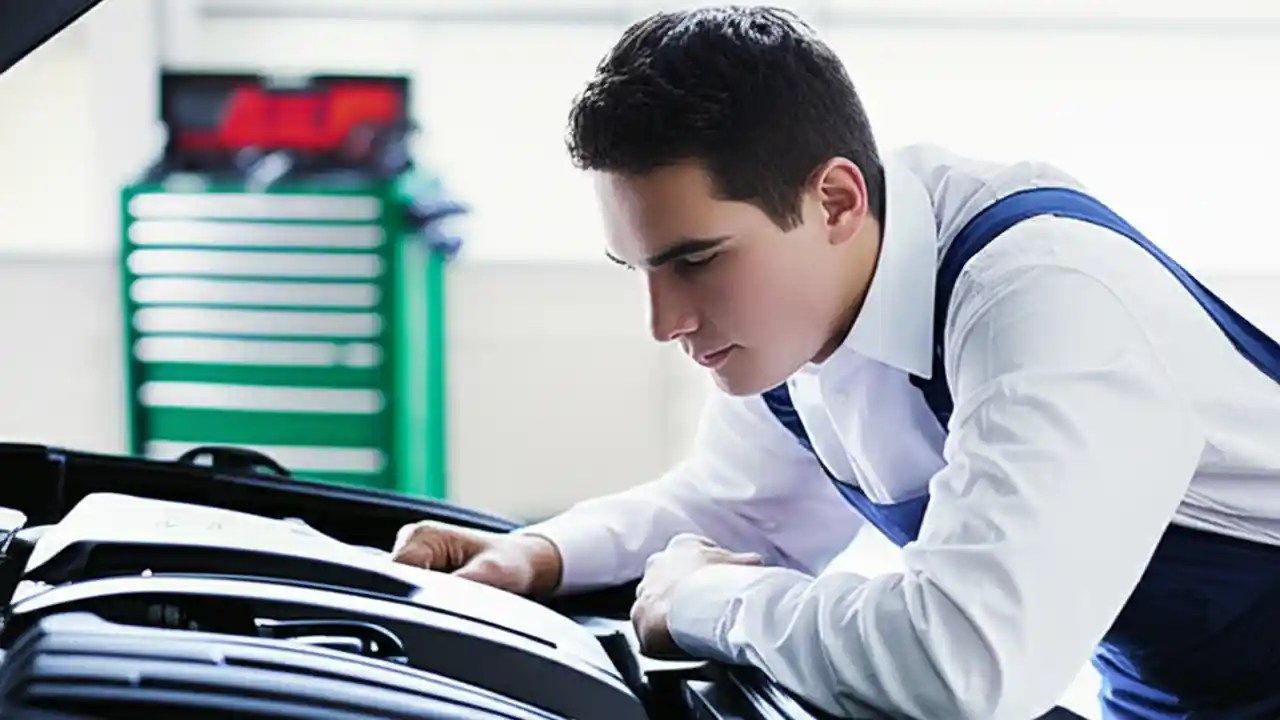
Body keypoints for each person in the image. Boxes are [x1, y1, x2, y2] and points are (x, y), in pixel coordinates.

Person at [391, 6, 1280, 719]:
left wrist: (710, 605)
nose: (665, 322)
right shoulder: (807, 317)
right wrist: (540, 557)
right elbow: (737, 510)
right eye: (643, 270)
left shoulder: (1042, 298)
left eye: (696, 260)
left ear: (836, 199)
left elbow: (962, 667)